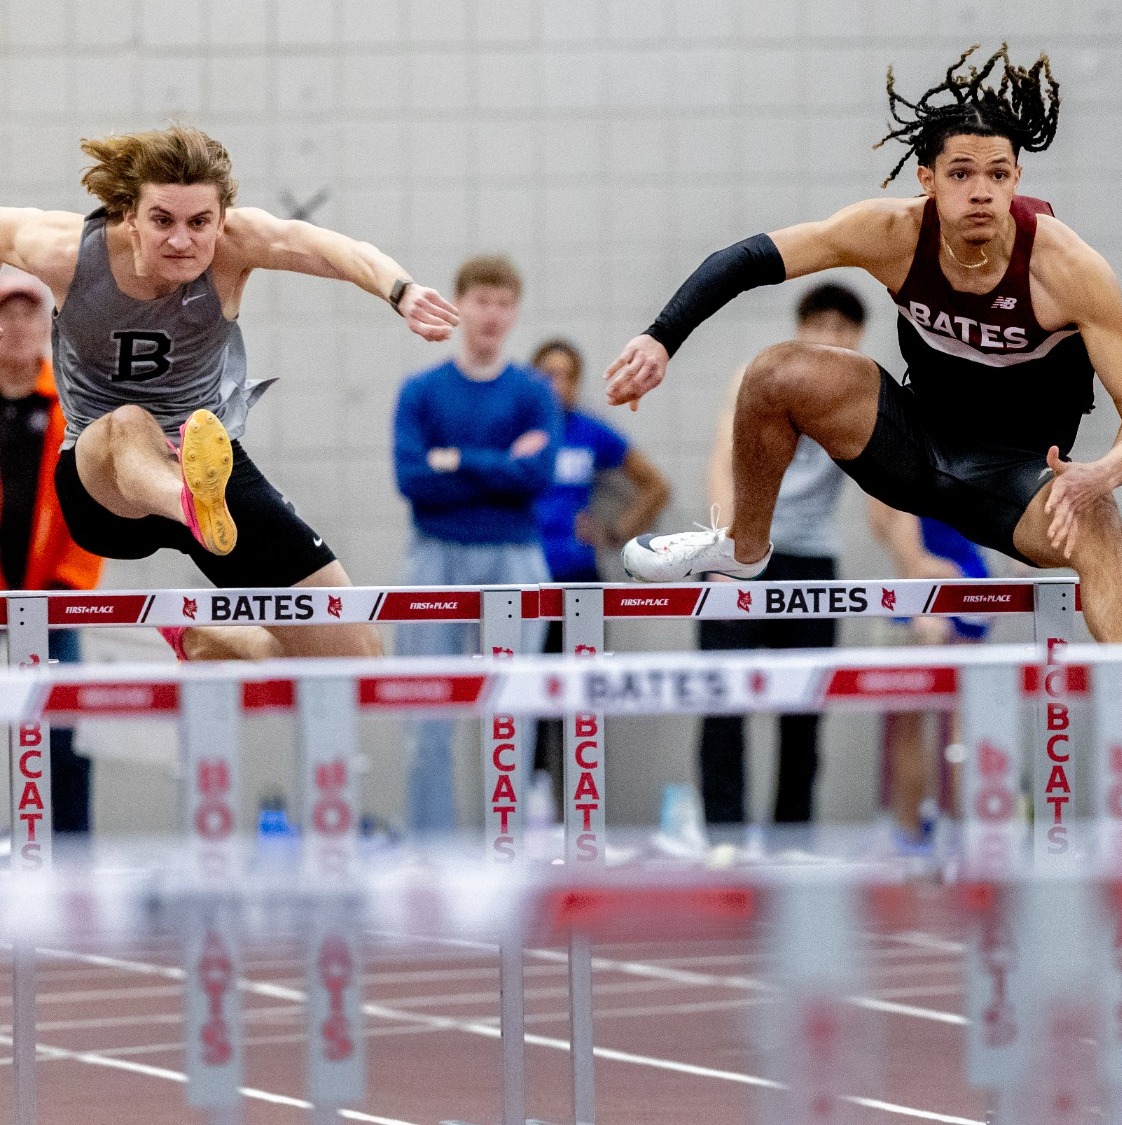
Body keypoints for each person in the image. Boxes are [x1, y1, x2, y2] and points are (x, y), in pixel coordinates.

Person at [606, 45, 1122, 768]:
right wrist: (660, 338)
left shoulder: (1069, 269)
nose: (980, 192)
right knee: (773, 373)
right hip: (912, 443)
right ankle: (743, 545)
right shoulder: (891, 233)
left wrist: (1100, 473)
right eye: (960, 174)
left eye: (997, 174)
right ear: (927, 180)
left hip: (1016, 481)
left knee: (1100, 516)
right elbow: (749, 257)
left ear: (1018, 176)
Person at [0, 124, 457, 661]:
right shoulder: (67, 250)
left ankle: (212, 638)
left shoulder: (237, 243)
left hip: (206, 456)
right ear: (129, 215)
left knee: (354, 654)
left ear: (220, 220)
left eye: (199, 223)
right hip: (103, 484)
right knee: (128, 422)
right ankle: (190, 503)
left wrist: (399, 290)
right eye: (162, 221)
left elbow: (334, 249)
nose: (181, 241)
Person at [392, 254, 559, 834]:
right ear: (459, 306)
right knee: (426, 714)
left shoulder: (535, 393)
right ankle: (429, 854)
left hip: (514, 554)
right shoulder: (421, 391)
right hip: (435, 554)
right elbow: (412, 479)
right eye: (481, 301)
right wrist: (497, 464)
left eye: (504, 303)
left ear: (515, 312)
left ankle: (507, 847)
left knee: (513, 711)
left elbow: (538, 478)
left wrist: (456, 460)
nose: (491, 314)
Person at [695, 284, 866, 837]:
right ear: (800, 329)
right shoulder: (760, 376)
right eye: (821, 327)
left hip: (812, 560)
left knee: (804, 711)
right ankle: (725, 838)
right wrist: (725, 550)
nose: (831, 338)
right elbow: (722, 461)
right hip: (742, 553)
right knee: (724, 706)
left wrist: (913, 558)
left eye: (843, 330)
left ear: (858, 338)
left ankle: (793, 838)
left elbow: (893, 493)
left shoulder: (862, 390)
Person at [528, 337, 671, 792]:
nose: (558, 385)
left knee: (580, 703)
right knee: (525, 701)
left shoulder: (589, 432)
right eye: (548, 374)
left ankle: (580, 811)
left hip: (579, 582)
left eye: (568, 376)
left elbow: (655, 486)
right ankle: (531, 811)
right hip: (522, 584)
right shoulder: (513, 434)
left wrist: (613, 532)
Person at [0, 271, 102, 833]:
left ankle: (73, 872)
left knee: (62, 740)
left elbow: (93, 509)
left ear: (47, 326)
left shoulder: (73, 410)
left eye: (27, 314)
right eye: (5, 316)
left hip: (53, 606)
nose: (15, 328)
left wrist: (66, 589)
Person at [869, 502, 992, 855]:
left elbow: (894, 536)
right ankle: (947, 835)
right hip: (957, 578)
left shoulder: (890, 459)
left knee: (927, 722)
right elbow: (885, 528)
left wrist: (918, 588)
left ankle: (924, 836)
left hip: (935, 584)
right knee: (949, 719)